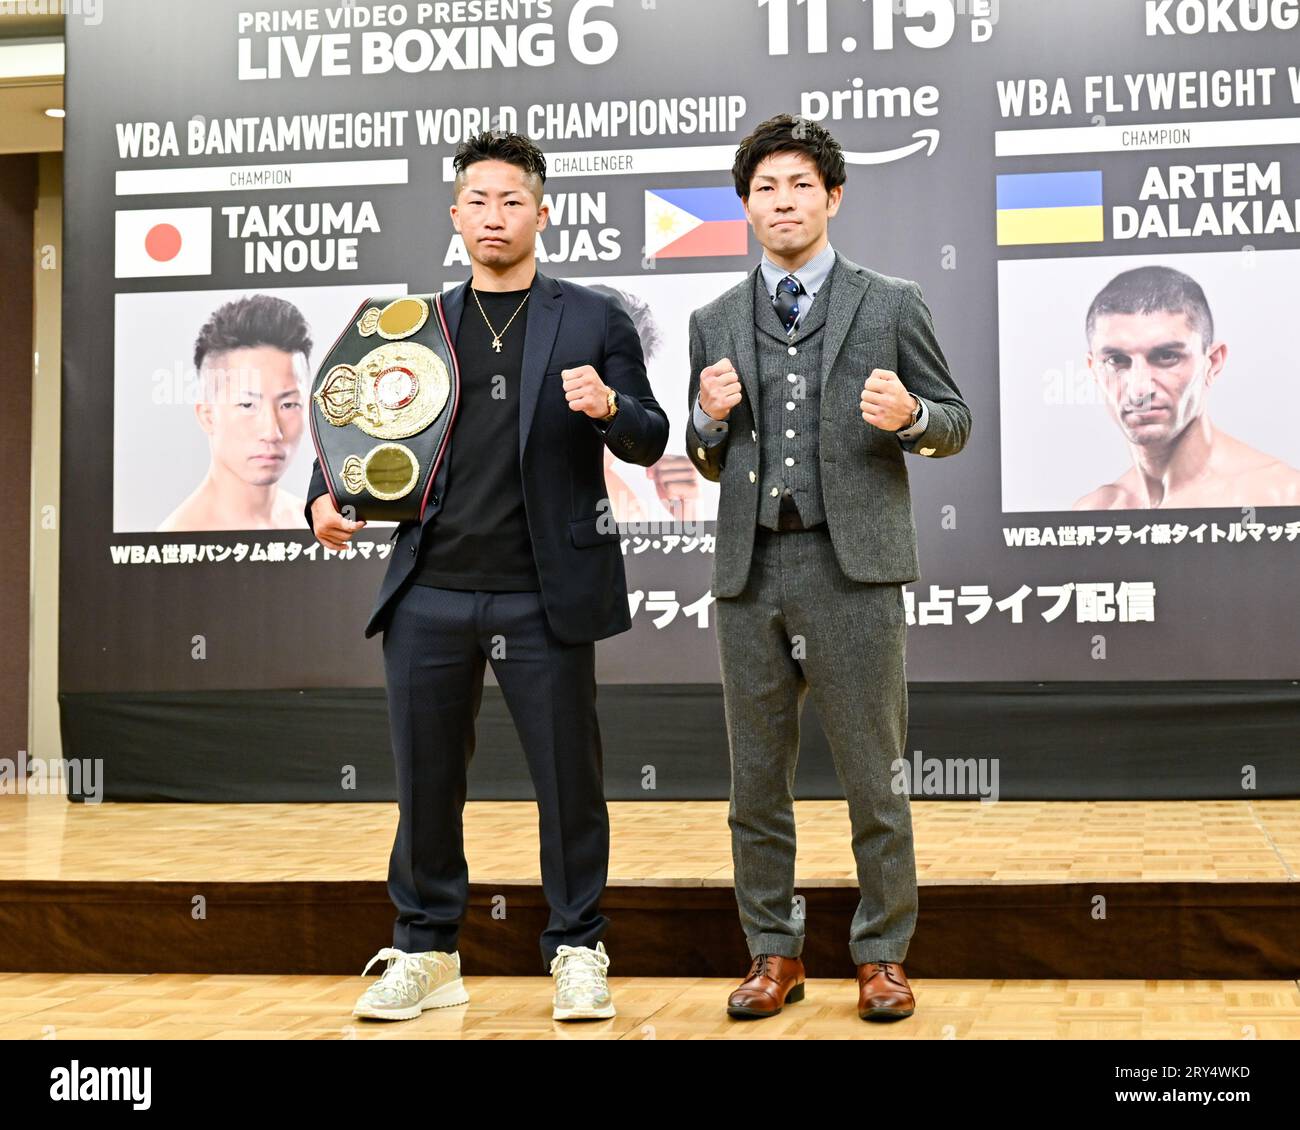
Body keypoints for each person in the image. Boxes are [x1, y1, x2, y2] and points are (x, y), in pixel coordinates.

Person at [305, 132, 669, 1022]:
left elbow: (652, 436)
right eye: (479, 201)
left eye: (513, 201)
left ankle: (579, 946)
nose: (495, 216)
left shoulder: (593, 316)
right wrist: (323, 497)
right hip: (429, 587)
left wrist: (611, 406)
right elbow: (351, 430)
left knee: (567, 780)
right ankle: (427, 950)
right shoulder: (411, 327)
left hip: (546, 593)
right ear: (455, 215)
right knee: (426, 781)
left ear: (543, 214)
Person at [684, 113, 972, 1021]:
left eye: (800, 184)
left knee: (874, 775)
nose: (782, 201)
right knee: (755, 782)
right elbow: (707, 459)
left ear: (833, 197)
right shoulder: (714, 319)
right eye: (764, 188)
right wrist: (706, 421)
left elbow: (953, 419)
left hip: (855, 571)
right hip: (749, 572)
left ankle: (881, 955)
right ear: (745, 206)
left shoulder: (892, 301)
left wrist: (911, 418)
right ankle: (773, 952)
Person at [1074, 264, 1300, 510]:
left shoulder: (1281, 497)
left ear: (1212, 363)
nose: (1139, 390)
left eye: (1166, 356)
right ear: (1094, 369)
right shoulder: (1096, 511)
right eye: (1116, 361)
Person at [158, 294, 311, 531]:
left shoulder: (309, 523)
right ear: (208, 416)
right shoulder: (180, 535)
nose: (272, 432)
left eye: (288, 404)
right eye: (248, 405)